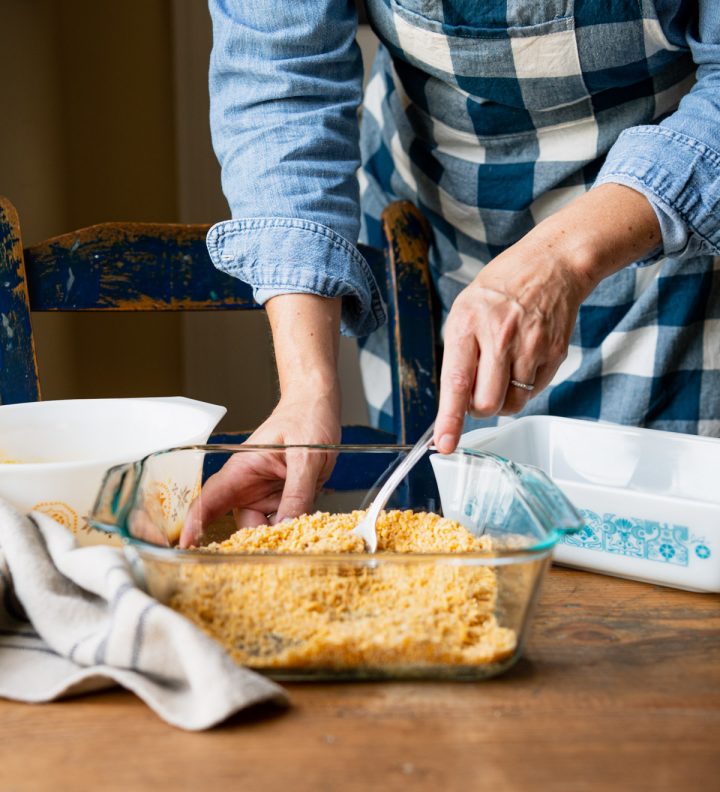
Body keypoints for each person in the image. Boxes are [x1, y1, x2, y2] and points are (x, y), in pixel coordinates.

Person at [181, 0, 720, 546]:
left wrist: (562, 258)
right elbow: (283, 82)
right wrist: (307, 389)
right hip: (435, 231)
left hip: (674, 226)